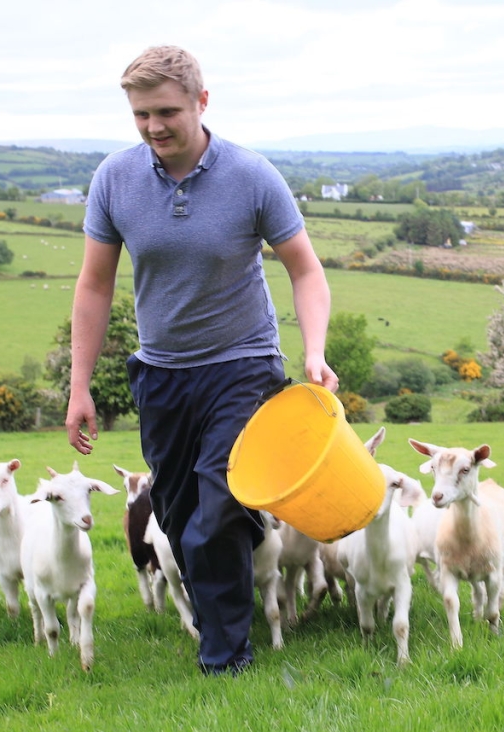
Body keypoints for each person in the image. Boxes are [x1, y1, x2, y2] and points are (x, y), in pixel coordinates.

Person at [65, 44, 335, 675]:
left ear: (201, 102)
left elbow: (306, 270)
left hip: (243, 366)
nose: (154, 127)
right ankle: (234, 586)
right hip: (161, 374)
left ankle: (226, 659)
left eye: (166, 112)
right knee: (180, 519)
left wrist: (314, 352)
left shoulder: (251, 176)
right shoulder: (115, 179)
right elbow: (94, 286)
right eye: (140, 115)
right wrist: (80, 387)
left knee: (215, 511)